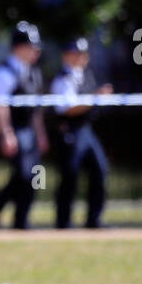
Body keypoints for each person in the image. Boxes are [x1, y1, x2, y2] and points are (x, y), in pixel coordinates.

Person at [0, 21, 49, 229]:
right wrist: (6, 133)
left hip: (29, 130)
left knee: (32, 174)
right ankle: (4, 212)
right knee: (24, 174)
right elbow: (0, 106)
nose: (36, 52)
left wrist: (40, 134)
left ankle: (18, 218)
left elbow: (36, 109)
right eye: (32, 47)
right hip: (14, 129)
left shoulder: (34, 73)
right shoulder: (3, 73)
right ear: (19, 47)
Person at [51, 37, 111, 228]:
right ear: (67, 56)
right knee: (69, 176)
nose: (81, 59)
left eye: (84, 55)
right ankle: (63, 221)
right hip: (70, 132)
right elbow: (66, 109)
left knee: (100, 169)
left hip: (86, 131)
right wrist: (95, 98)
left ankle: (94, 218)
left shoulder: (86, 76)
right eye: (77, 54)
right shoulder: (62, 79)